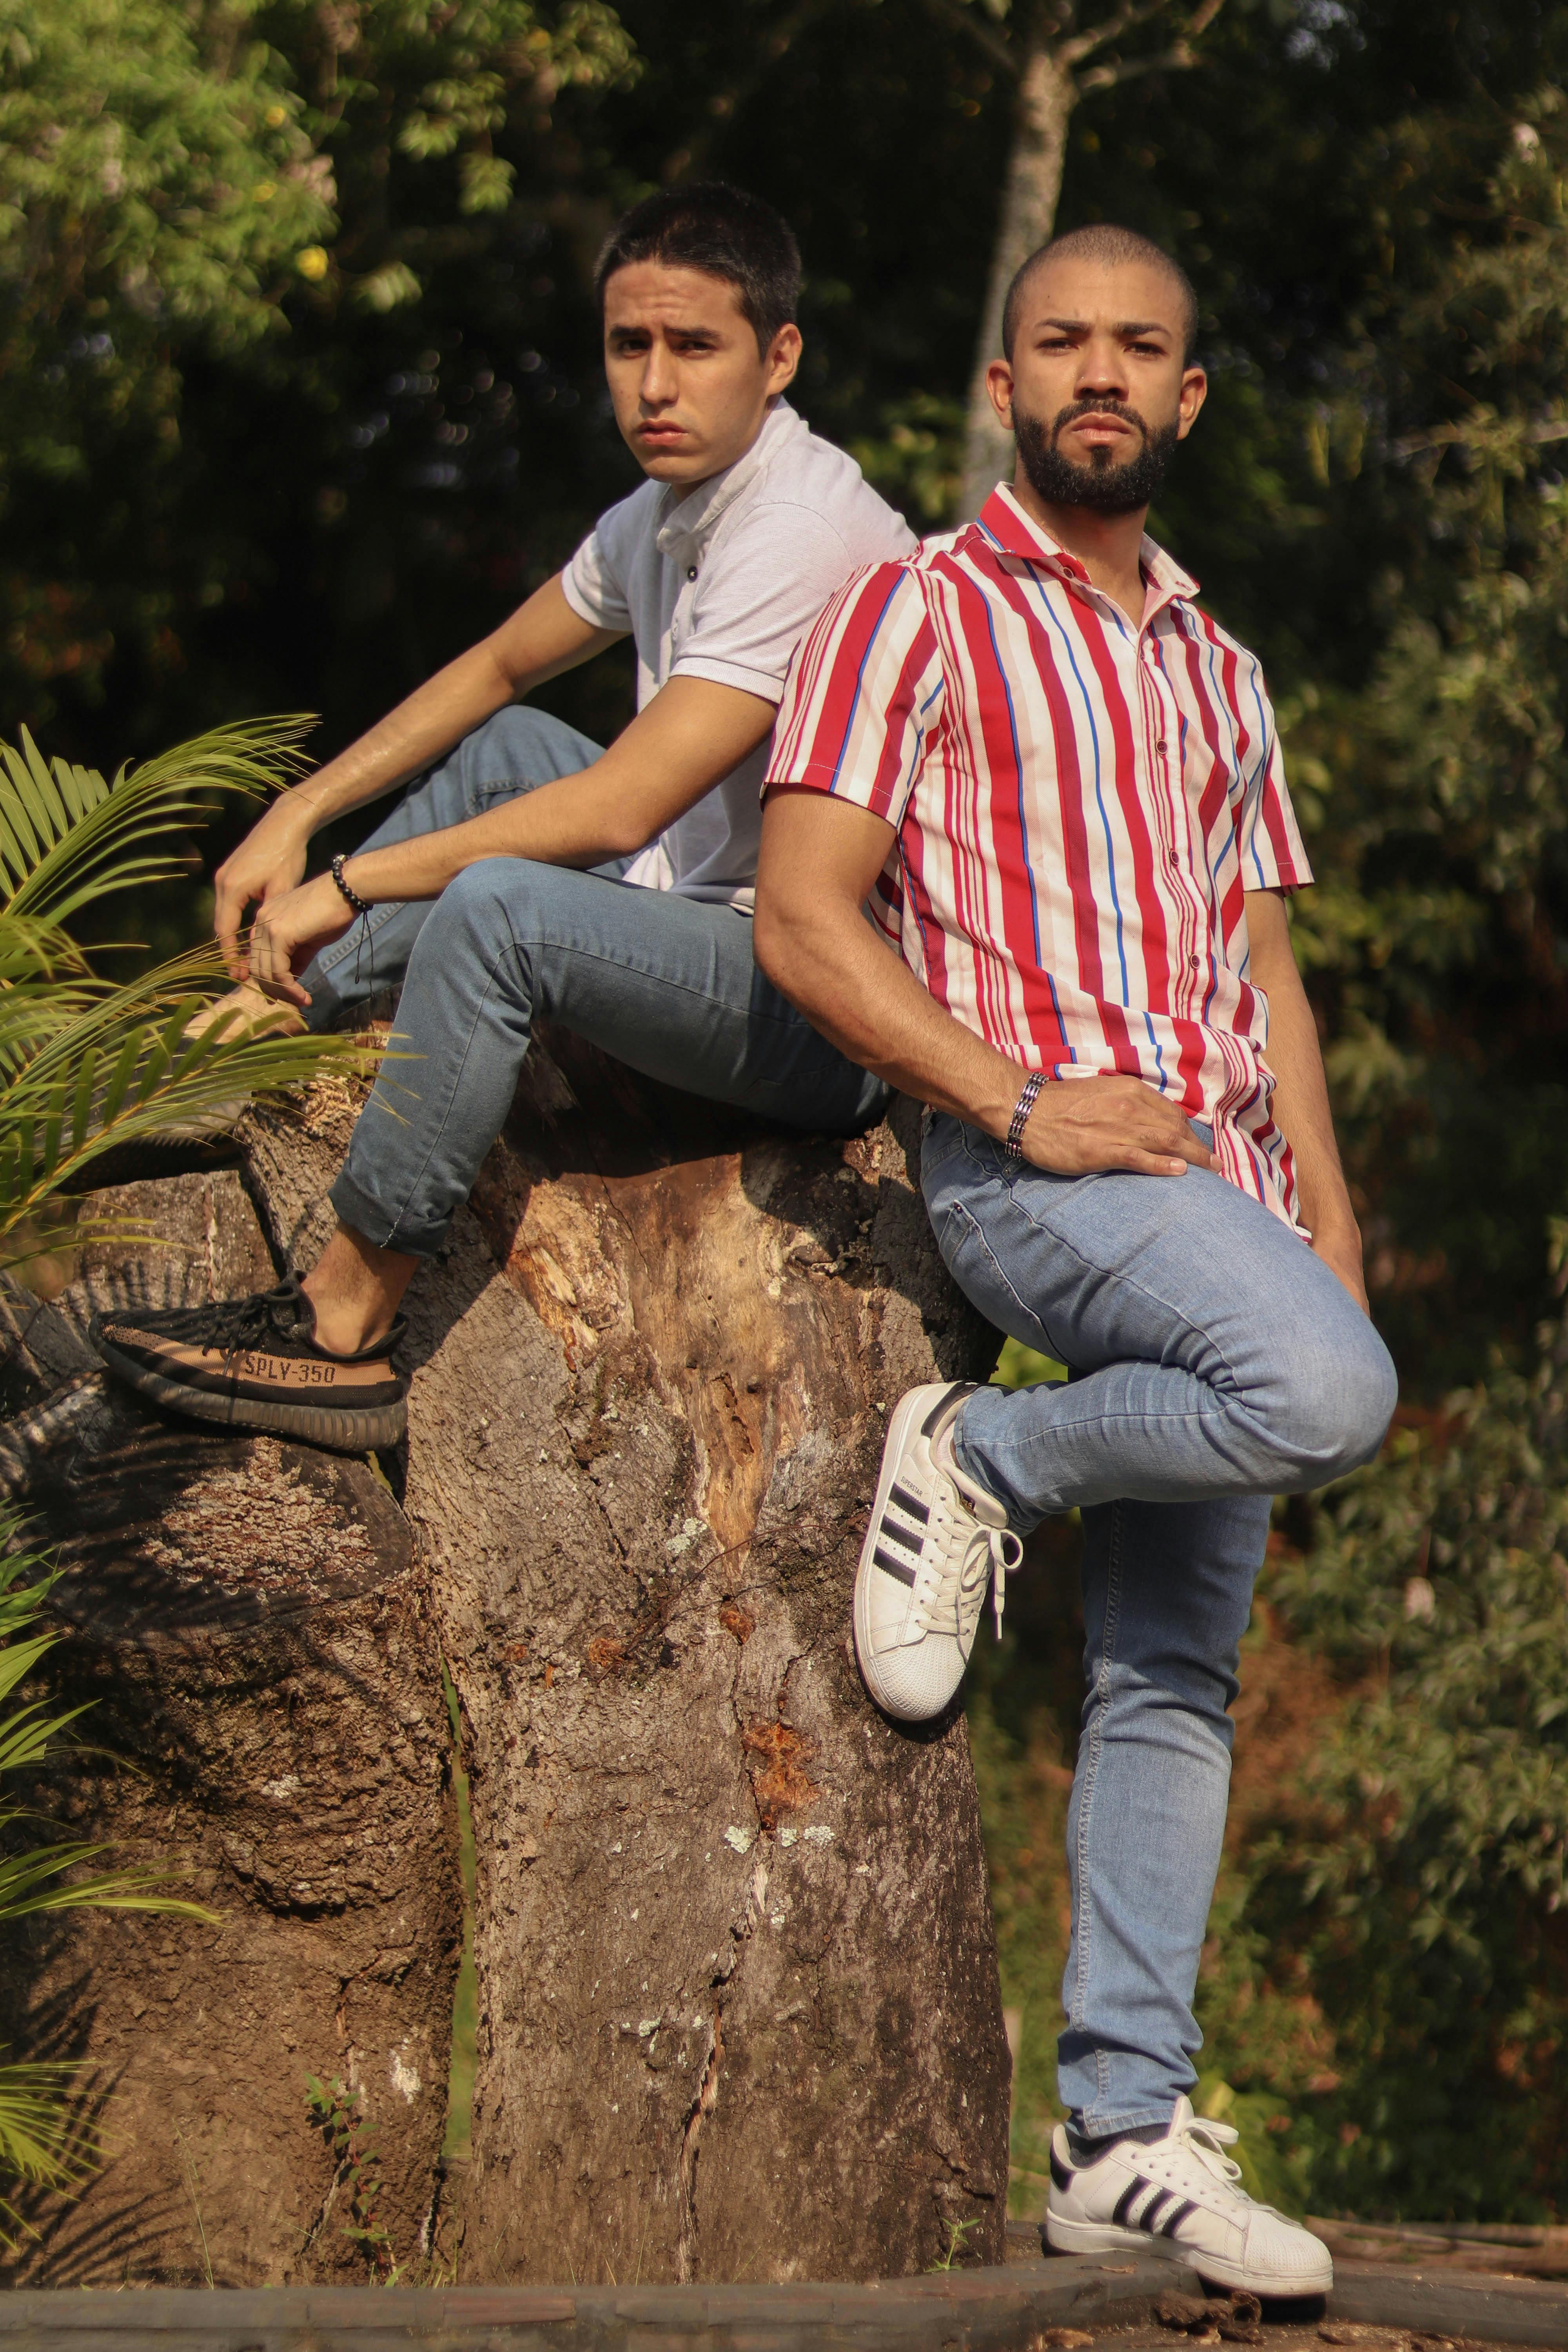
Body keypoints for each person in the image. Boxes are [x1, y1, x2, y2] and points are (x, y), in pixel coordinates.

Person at [751, 224, 1397, 2298]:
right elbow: (802, 915)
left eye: (1140, 348)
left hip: (1230, 1198)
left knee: (1175, 1675)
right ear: (1008, 380)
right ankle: (989, 1460)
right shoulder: (912, 611)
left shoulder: (1224, 668)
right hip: (1040, 1176)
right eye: (1063, 344)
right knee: (1324, 1400)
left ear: (1188, 397)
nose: (1100, 373)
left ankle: (1122, 2131)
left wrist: (1334, 1219)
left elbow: (1264, 967)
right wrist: (1018, 1105)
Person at [89, 183, 911, 1452]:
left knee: (501, 910)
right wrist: (294, 816)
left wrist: (352, 885)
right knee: (511, 751)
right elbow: (499, 672)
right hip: (701, 921)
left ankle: (342, 1334)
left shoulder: (800, 529)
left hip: (831, 1007)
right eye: (629, 346)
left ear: (780, 356)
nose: (654, 383)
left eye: (694, 347)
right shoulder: (664, 513)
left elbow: (621, 805)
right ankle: (256, 1026)